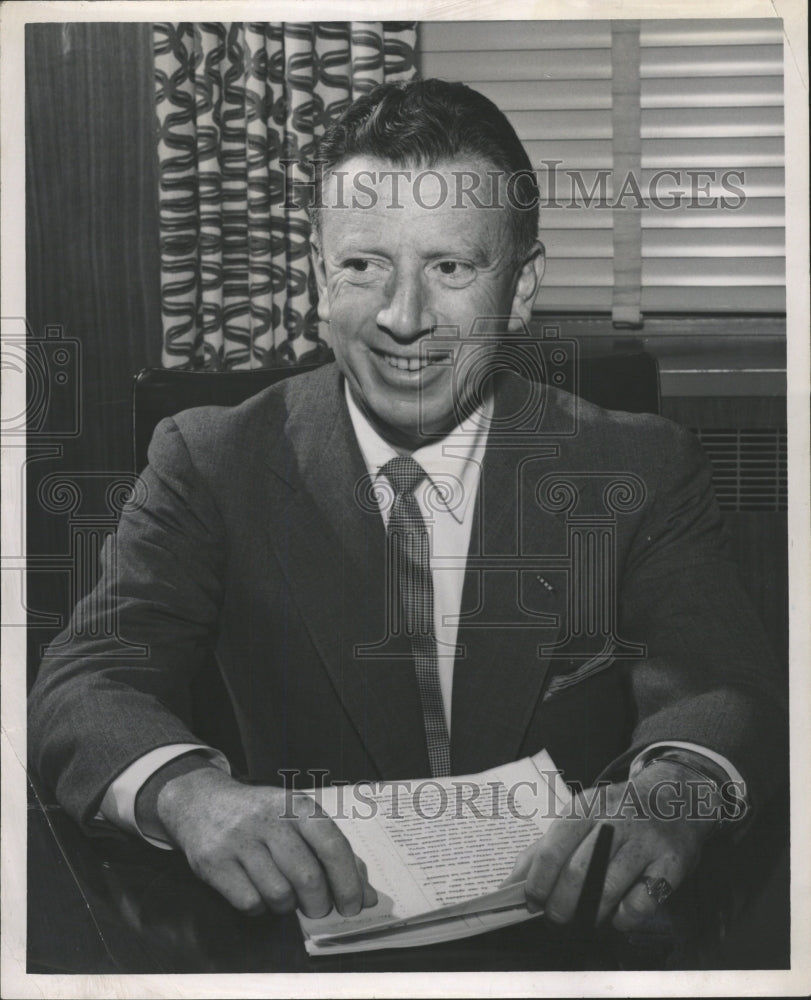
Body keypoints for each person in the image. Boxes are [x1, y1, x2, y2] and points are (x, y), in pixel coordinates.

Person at [28, 79, 786, 936]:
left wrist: (673, 789)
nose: (403, 317)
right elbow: (87, 680)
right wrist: (188, 794)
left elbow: (728, 688)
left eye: (451, 267)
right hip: (297, 944)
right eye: (363, 265)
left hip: (568, 940)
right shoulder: (209, 460)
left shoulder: (638, 464)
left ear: (523, 286)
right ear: (319, 276)